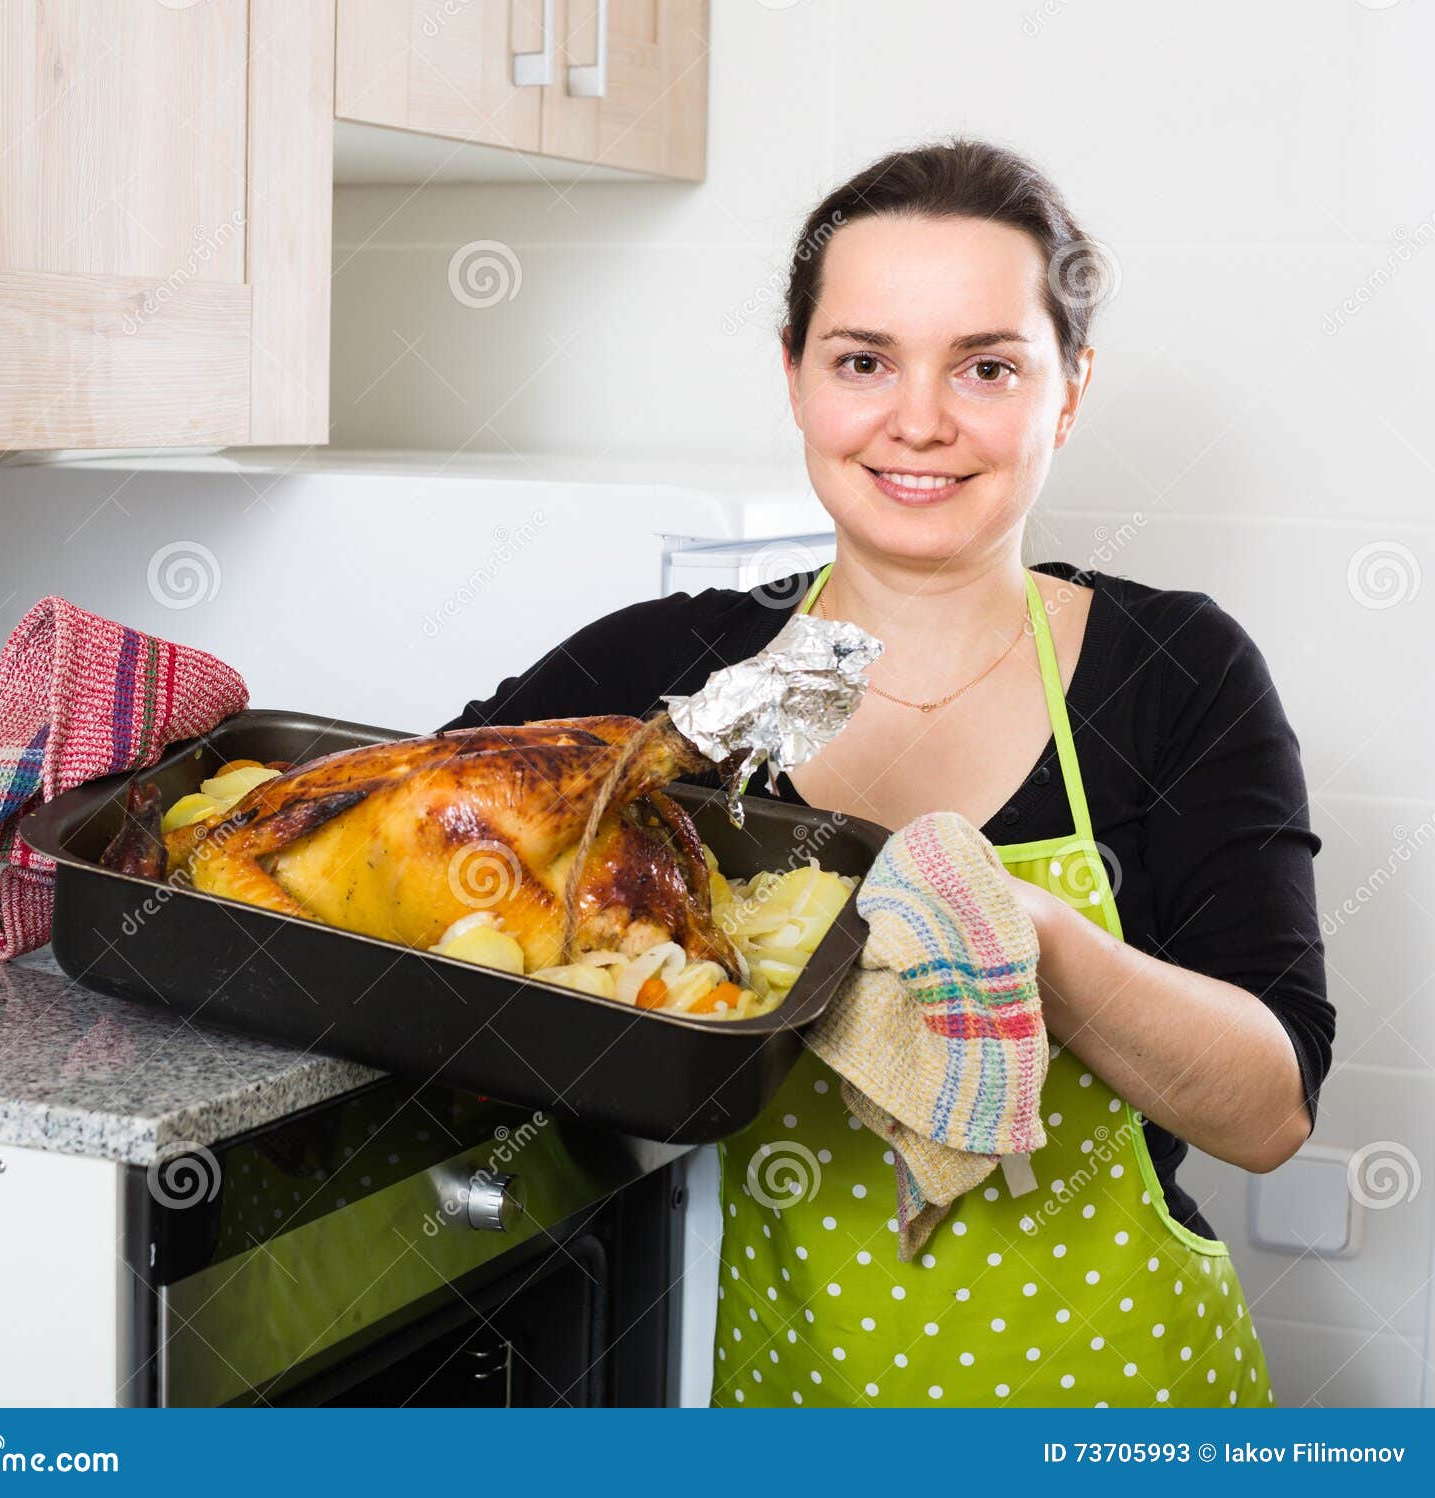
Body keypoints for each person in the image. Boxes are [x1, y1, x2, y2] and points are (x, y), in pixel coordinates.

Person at [439, 138, 1333, 1409]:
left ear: (1067, 392)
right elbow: (429, 832)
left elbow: (1267, 1112)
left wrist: (1025, 935)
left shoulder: (1175, 672)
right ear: (797, 381)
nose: (919, 419)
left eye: (986, 366)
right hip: (802, 1403)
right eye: (863, 360)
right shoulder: (676, 674)